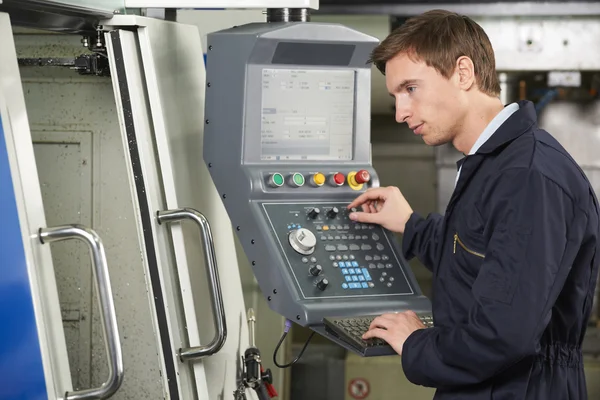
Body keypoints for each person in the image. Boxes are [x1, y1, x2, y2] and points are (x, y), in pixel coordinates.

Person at [347, 9, 600, 399]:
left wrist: (416, 342)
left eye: (410, 89)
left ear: (463, 73)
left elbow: (501, 335)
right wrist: (412, 224)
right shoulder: (493, 163)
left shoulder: (528, 176)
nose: (400, 113)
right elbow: (481, 253)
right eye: (396, 97)